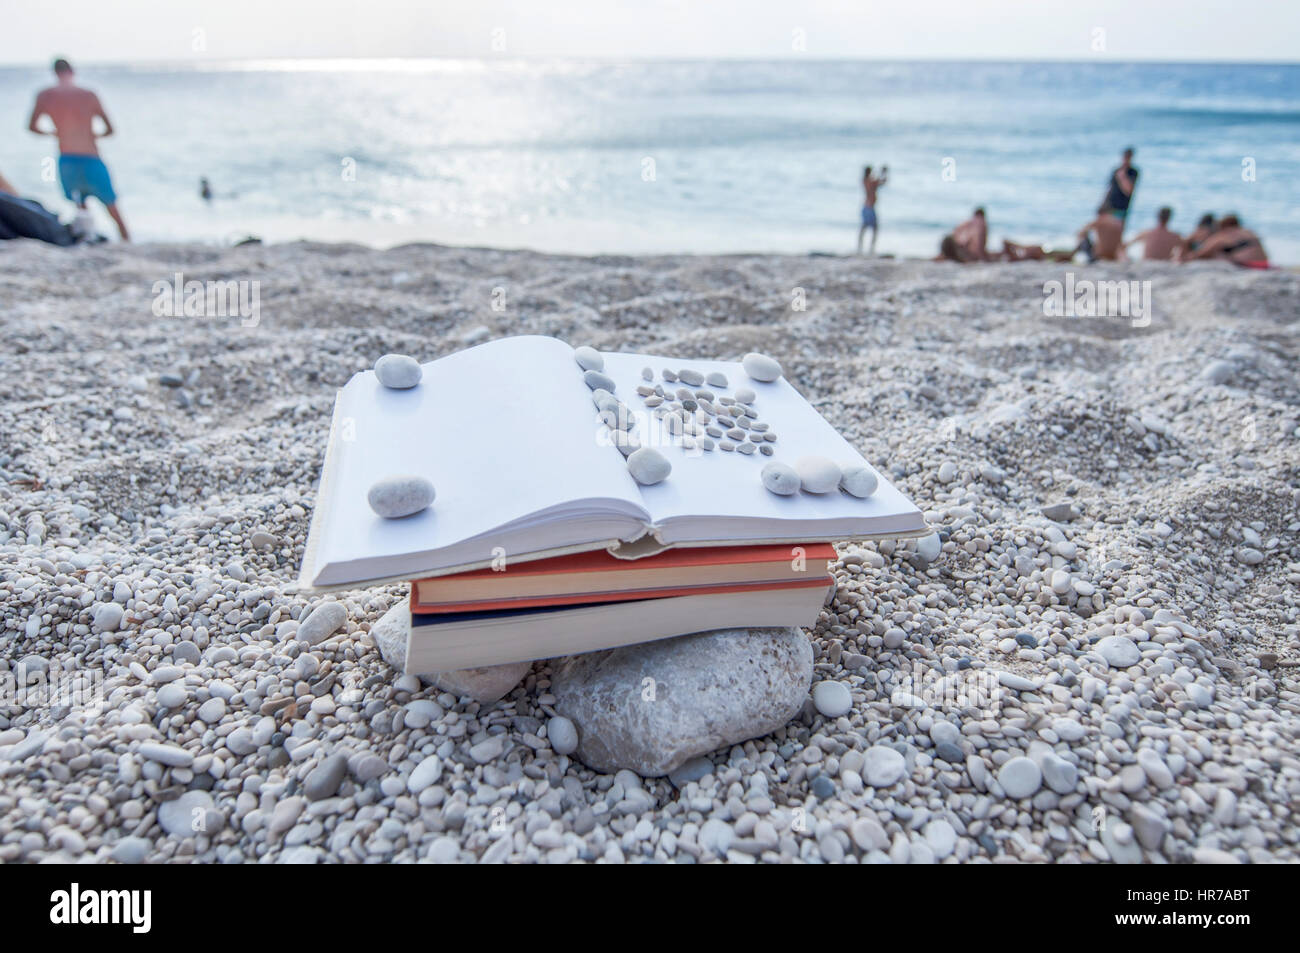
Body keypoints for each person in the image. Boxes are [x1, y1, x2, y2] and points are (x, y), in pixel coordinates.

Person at [28, 58, 129, 241]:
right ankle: (127, 241)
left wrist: (55, 133)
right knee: (113, 208)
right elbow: (110, 130)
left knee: (81, 210)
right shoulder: (88, 95)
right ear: (72, 71)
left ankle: (89, 241)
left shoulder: (45, 95)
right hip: (91, 157)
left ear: (55, 73)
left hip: (67, 158)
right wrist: (93, 135)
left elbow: (32, 127)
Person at [1183, 214, 1268, 268]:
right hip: (1265, 264)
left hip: (1248, 265)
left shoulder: (1223, 234)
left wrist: (1188, 243)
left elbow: (1201, 254)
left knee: (1217, 254)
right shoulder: (1249, 232)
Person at [1100, 147, 1139, 231]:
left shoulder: (1133, 172)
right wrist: (1102, 204)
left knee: (1117, 233)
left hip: (1121, 207)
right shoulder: (1116, 170)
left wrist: (1122, 177)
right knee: (1105, 231)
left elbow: (1129, 190)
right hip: (1109, 206)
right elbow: (1110, 188)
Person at [857, 164, 887, 255]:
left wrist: (881, 174)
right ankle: (870, 249)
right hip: (870, 208)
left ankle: (861, 248)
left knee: (864, 228)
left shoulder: (865, 181)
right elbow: (882, 182)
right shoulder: (870, 182)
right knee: (873, 229)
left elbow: (879, 182)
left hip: (866, 207)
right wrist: (883, 173)